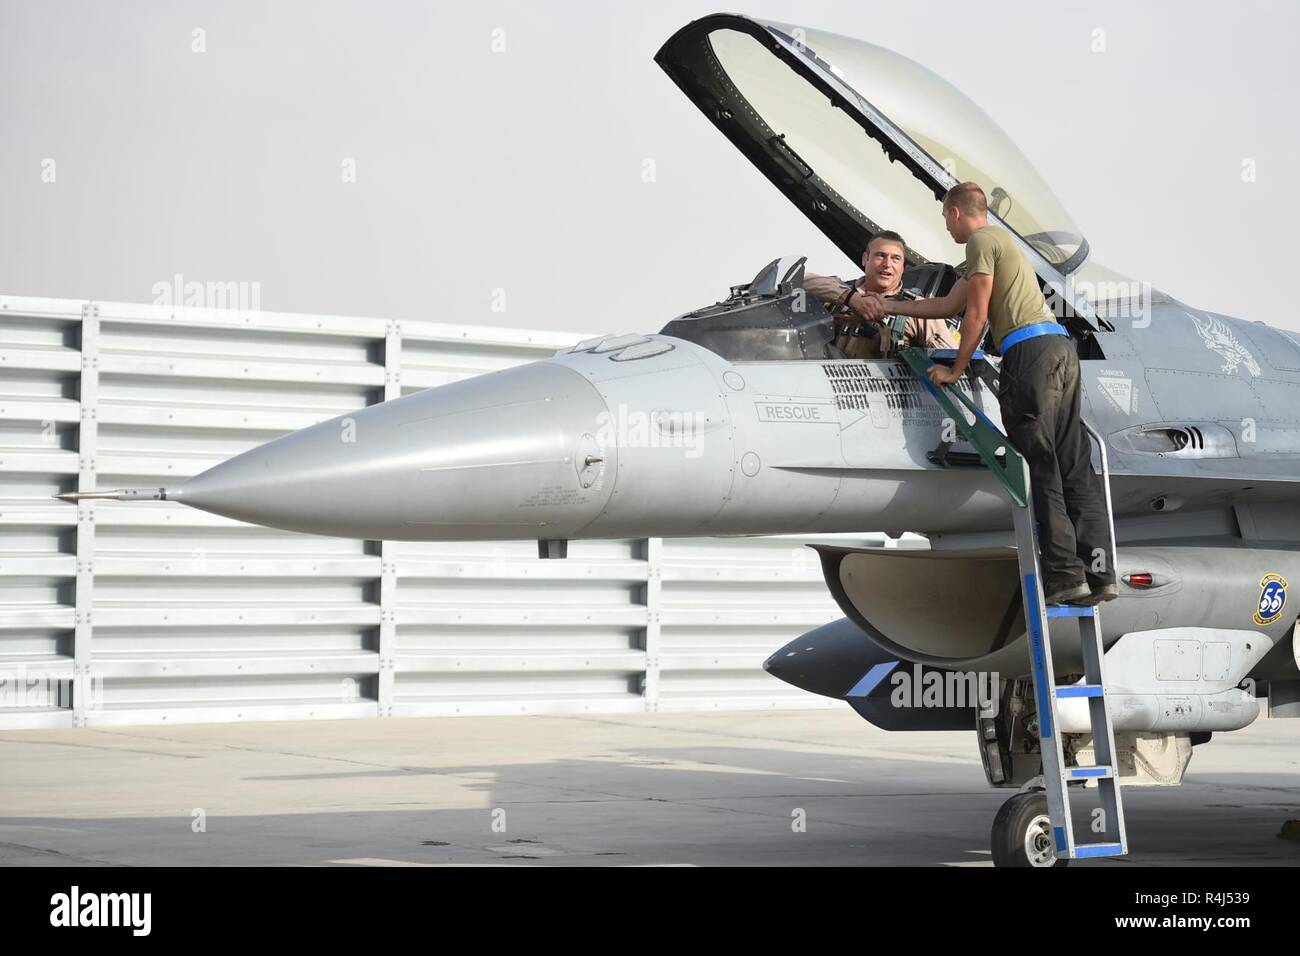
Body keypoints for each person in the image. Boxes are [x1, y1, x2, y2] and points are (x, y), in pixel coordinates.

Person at [858, 183, 1116, 606]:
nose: (946, 226)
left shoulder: (980, 240)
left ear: (956, 213)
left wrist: (955, 368)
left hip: (1028, 354)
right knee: (1074, 464)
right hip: (1060, 350)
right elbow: (945, 307)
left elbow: (975, 315)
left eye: (945, 218)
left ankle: (1065, 578)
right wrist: (889, 307)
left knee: (1040, 464)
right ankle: (1101, 574)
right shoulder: (998, 244)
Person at [803, 230, 957, 359]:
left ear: (903, 267)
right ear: (865, 258)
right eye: (880, 256)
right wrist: (850, 298)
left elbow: (950, 357)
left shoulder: (918, 308)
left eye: (896, 259)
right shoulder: (839, 289)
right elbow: (798, 281)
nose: (887, 264)